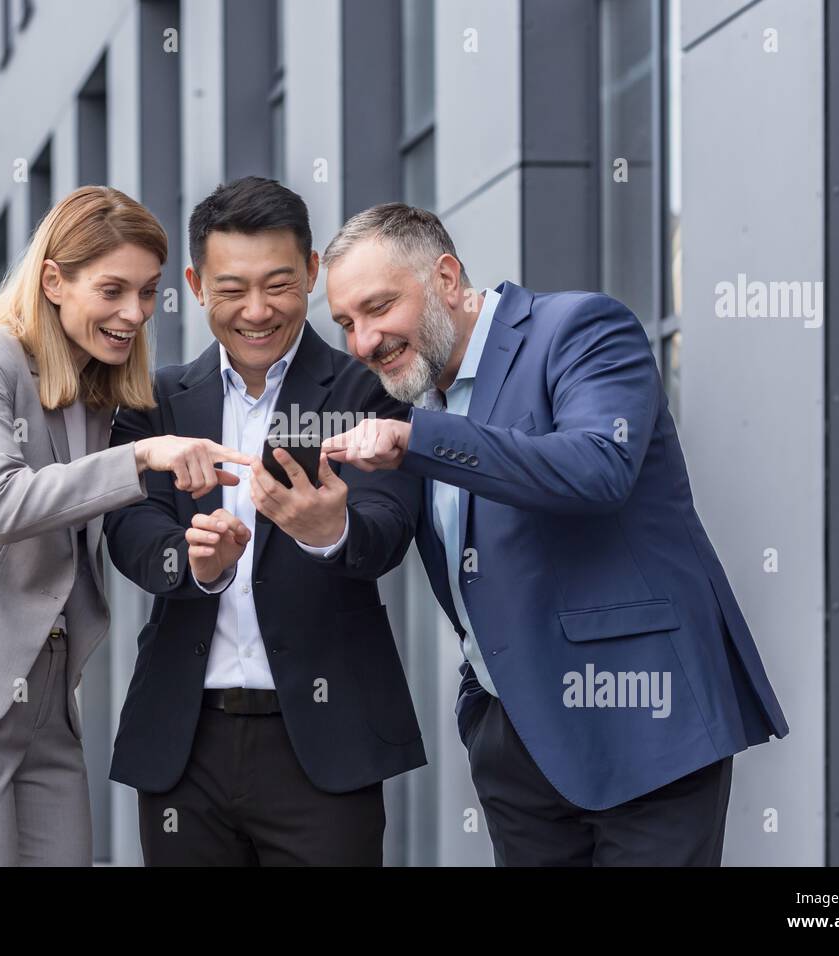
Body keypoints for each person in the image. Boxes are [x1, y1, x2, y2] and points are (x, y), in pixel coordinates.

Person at [320, 202, 790, 866]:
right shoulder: (418, 398)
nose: (364, 341)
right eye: (347, 323)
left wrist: (419, 440)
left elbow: (599, 468)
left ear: (448, 280)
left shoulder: (581, 329)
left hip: (640, 722)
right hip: (514, 744)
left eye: (378, 308)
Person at [0, 185, 251, 866]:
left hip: (49, 698)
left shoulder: (97, 384)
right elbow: (1, 504)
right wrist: (141, 456)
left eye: (149, 292)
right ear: (54, 281)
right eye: (113, 290)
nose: (135, 313)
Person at [103, 177, 424, 866]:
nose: (256, 311)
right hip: (186, 746)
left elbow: (389, 525)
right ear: (194, 283)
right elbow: (129, 532)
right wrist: (191, 564)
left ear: (312, 273)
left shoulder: (365, 386)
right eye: (231, 287)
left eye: (278, 284)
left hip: (325, 745)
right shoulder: (153, 401)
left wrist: (330, 530)